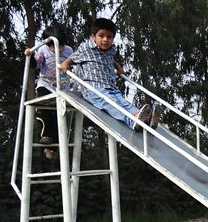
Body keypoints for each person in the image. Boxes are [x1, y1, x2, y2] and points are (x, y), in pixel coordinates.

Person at [59, 17, 159, 131]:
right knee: (112, 104)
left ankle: (144, 118)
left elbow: (111, 59)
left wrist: (118, 68)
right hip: (94, 90)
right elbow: (73, 57)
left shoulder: (110, 49)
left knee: (124, 103)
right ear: (93, 37)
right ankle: (133, 122)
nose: (105, 40)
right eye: (101, 36)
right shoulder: (86, 48)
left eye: (109, 37)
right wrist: (65, 64)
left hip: (111, 87)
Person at [23, 24, 73, 159]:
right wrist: (30, 55)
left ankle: (53, 147)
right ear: (48, 44)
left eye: (61, 45)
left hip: (62, 87)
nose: (59, 49)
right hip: (45, 84)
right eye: (55, 46)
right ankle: (46, 136)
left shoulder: (69, 51)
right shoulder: (44, 51)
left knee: (59, 117)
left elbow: (76, 64)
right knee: (44, 111)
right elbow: (35, 64)